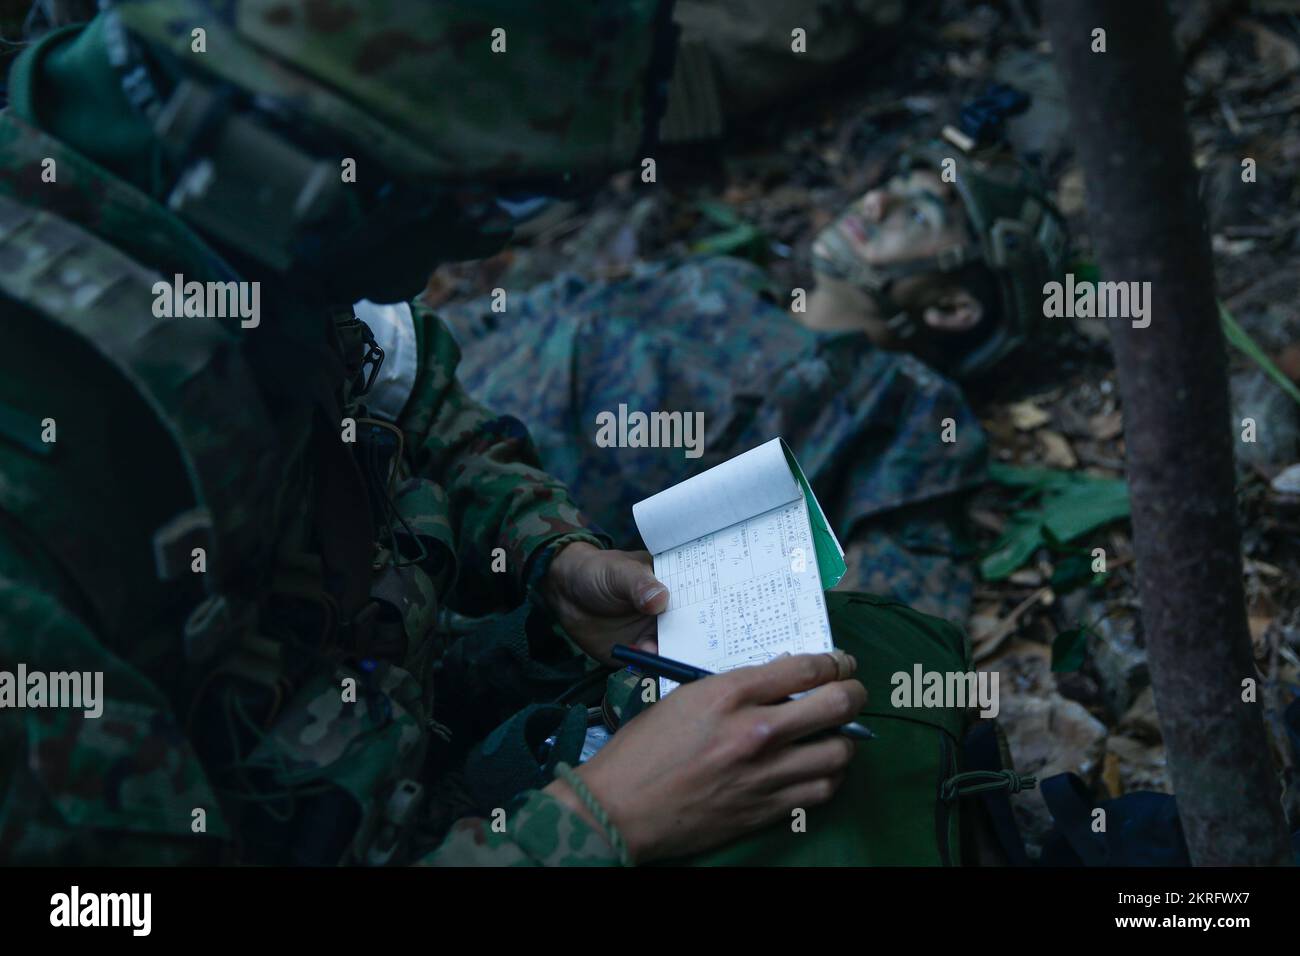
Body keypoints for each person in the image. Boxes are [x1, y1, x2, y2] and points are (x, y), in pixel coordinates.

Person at [0, 0, 869, 866]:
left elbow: (399, 393)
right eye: (495, 198)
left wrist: (548, 554)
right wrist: (593, 827)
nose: (480, 246)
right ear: (284, 159)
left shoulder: (229, 202)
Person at [439, 138, 1066, 624]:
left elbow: (888, 616)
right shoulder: (722, 277)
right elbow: (530, 311)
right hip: (406, 432)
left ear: (951, 308)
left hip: (485, 566)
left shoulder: (902, 401)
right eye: (892, 188)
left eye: (918, 214)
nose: (874, 202)